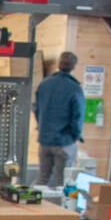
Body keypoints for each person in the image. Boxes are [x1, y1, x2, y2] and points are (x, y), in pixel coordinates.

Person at [33, 51, 85, 188]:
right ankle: (61, 209)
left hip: (45, 140)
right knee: (63, 183)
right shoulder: (75, 88)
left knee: (42, 180)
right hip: (64, 141)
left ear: (58, 64)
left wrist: (42, 126)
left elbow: (36, 109)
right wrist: (76, 135)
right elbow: (77, 115)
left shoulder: (44, 84)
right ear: (74, 67)